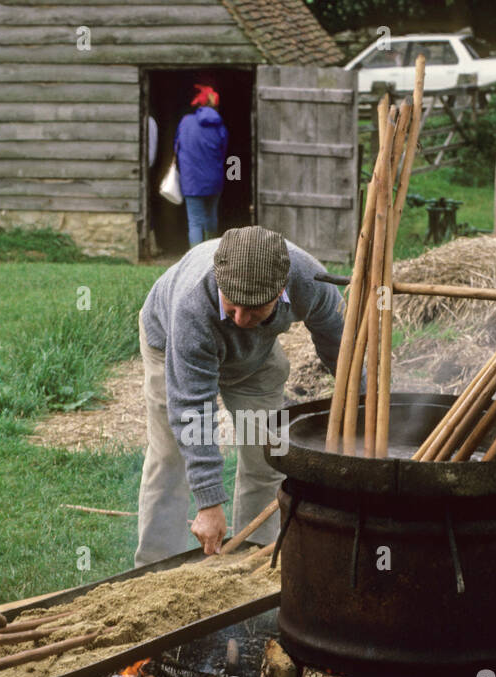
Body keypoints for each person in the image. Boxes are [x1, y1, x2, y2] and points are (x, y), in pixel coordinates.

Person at [135, 226, 345, 566]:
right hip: (169, 345)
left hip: (256, 357)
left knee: (263, 453)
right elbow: (192, 408)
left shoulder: (310, 280)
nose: (241, 319)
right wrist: (208, 503)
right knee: (170, 457)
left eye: (255, 309)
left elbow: (343, 347)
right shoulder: (191, 305)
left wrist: (363, 405)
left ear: (281, 291)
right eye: (232, 306)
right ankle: (156, 567)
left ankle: (253, 561)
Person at [174, 85, 228, 247]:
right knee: (211, 216)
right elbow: (224, 153)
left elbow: (176, 147)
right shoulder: (220, 127)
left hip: (191, 180)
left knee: (195, 221)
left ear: (198, 104)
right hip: (214, 179)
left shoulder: (185, 122)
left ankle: (196, 259)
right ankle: (210, 255)